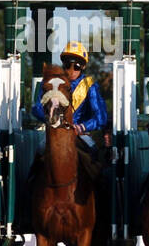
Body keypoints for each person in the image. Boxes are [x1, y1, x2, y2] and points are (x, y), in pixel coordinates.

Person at [30, 41, 108, 180]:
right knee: (40, 152)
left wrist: (82, 127)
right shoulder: (52, 82)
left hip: (81, 134)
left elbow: (101, 117)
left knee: (94, 160)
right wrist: (51, 119)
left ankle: (100, 195)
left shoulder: (89, 85)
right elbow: (36, 107)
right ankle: (28, 188)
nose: (71, 70)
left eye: (76, 66)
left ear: (83, 66)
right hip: (54, 131)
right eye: (67, 64)